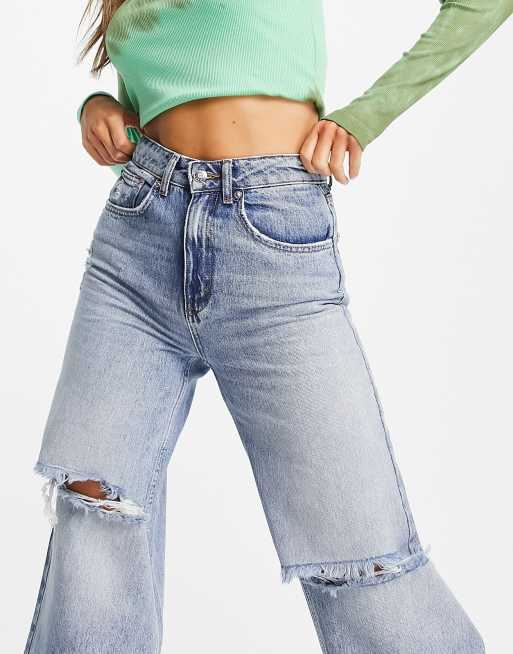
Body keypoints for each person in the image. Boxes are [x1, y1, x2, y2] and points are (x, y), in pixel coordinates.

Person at [25, 1, 512, 652]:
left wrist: (366, 115)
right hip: (137, 241)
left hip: (271, 239)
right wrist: (98, 110)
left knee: (357, 552)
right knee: (95, 515)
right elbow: (162, 90)